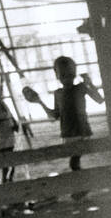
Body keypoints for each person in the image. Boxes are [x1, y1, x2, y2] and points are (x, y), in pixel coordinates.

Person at [24, 56, 104, 200]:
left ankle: (85, 187)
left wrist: (90, 84)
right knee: (74, 163)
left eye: (70, 74)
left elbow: (99, 100)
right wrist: (39, 102)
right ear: (57, 75)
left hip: (81, 131)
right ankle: (84, 187)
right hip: (67, 134)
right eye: (63, 75)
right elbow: (54, 116)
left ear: (75, 73)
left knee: (74, 163)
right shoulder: (58, 93)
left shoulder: (81, 88)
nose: (67, 78)